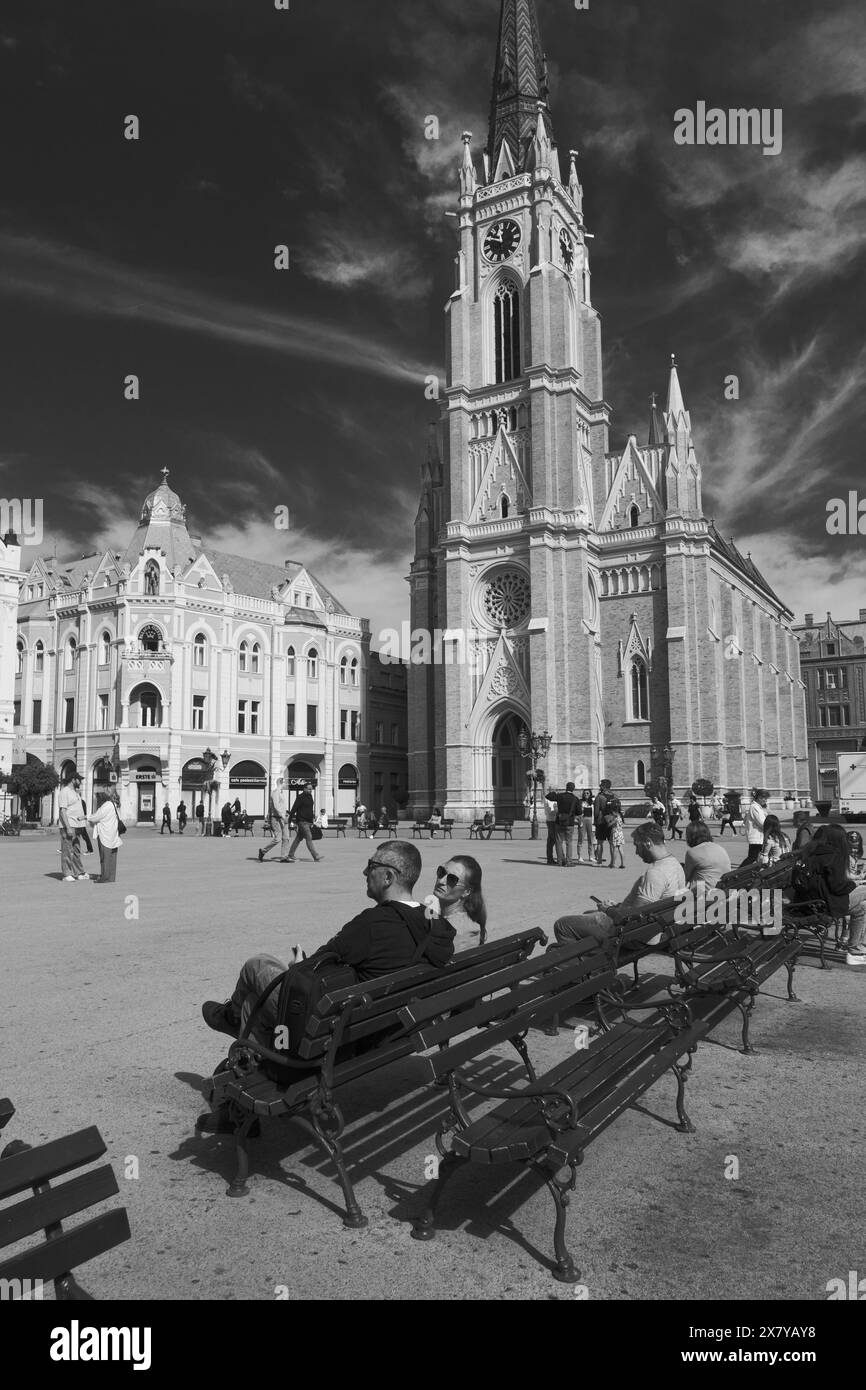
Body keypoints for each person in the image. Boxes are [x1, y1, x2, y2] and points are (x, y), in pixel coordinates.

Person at [200, 841, 455, 1051]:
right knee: (252, 1004)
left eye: (371, 866)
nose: (365, 873)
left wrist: (298, 964)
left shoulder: (370, 924)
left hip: (337, 1033)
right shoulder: (435, 926)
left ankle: (231, 1020)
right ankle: (242, 1029)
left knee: (257, 965)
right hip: (391, 1028)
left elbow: (311, 969)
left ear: (388, 877)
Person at [553, 821, 686, 946]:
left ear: (648, 843)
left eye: (637, 845)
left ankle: (589, 965)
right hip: (655, 928)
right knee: (588, 912)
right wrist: (618, 906)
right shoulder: (675, 864)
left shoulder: (656, 873)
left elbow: (634, 918)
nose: (636, 852)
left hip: (631, 937)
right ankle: (592, 958)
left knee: (563, 925)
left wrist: (608, 909)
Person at [790, 823, 865, 967]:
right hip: (826, 905)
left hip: (811, 902)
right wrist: (855, 884)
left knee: (861, 908)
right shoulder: (832, 856)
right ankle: (855, 950)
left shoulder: (811, 851)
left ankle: (856, 950)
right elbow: (838, 888)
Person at [422, 855, 488, 949]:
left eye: (452, 879)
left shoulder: (452, 931)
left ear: (466, 891)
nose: (441, 880)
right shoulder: (469, 923)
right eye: (441, 872)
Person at [58, 771, 89, 882]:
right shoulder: (64, 792)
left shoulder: (75, 792)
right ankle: (67, 873)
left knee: (76, 850)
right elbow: (63, 811)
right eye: (79, 779)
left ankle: (79, 872)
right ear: (73, 779)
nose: (80, 782)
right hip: (69, 825)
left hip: (78, 826)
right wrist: (68, 827)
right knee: (67, 850)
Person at [684, 821, 732, 888]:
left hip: (707, 893)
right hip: (724, 888)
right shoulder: (719, 847)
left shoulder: (692, 852)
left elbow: (686, 877)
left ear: (691, 837)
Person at [88, 792, 122, 883]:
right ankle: (111, 877)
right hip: (114, 835)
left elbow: (96, 817)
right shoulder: (116, 805)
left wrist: (86, 817)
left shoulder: (107, 805)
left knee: (105, 857)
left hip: (105, 835)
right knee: (112, 858)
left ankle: (105, 877)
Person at [546, 782, 580, 868]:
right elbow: (579, 812)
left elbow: (548, 796)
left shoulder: (560, 796)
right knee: (569, 842)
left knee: (558, 842)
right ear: (573, 789)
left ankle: (560, 861)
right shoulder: (575, 799)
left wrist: (553, 791)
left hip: (559, 821)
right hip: (570, 822)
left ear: (566, 787)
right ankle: (568, 862)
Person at [286, 782, 323, 862]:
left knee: (298, 838)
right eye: (309, 789)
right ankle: (316, 856)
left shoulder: (310, 796)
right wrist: (289, 821)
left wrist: (312, 821)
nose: (311, 790)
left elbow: (309, 810)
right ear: (304, 789)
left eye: (311, 789)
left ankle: (290, 854)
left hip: (309, 822)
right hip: (302, 821)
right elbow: (294, 809)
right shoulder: (300, 797)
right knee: (309, 838)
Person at [259, 775, 290, 863]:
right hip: (277, 818)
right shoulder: (275, 792)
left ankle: (284, 857)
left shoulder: (281, 792)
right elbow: (276, 806)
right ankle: (263, 851)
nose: (285, 784)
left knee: (286, 838)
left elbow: (282, 806)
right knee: (278, 839)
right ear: (281, 783)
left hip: (283, 818)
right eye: (284, 782)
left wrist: (286, 813)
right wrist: (283, 816)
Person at [741, 789, 769, 866]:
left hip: (759, 837)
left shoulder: (758, 807)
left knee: (755, 858)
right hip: (756, 837)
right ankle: (739, 872)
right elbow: (762, 823)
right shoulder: (755, 807)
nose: (765, 800)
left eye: (766, 798)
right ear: (758, 797)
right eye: (763, 798)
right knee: (752, 857)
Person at [593, 780, 613, 863]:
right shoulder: (614, 796)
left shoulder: (599, 797)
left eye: (601, 785)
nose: (599, 786)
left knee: (600, 842)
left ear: (604, 786)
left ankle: (599, 861)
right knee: (611, 843)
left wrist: (595, 821)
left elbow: (596, 811)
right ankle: (613, 862)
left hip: (601, 821)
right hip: (611, 821)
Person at [576, 789, 594, 864]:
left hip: (590, 820)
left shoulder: (592, 802)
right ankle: (579, 856)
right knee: (581, 839)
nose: (586, 794)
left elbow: (594, 813)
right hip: (582, 820)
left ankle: (591, 856)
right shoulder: (580, 802)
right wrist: (578, 820)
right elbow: (577, 812)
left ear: (590, 794)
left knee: (591, 839)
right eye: (585, 793)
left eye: (587, 793)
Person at [607, 798, 625, 869]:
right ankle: (622, 863)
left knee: (614, 849)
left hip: (615, 833)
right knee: (620, 848)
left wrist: (609, 821)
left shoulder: (616, 817)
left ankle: (613, 863)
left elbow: (610, 824)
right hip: (620, 833)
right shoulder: (620, 816)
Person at [544, 794, 557, 866]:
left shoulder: (547, 799)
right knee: (555, 839)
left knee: (550, 841)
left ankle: (550, 858)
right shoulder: (548, 800)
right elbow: (549, 811)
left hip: (550, 820)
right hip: (552, 821)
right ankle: (561, 858)